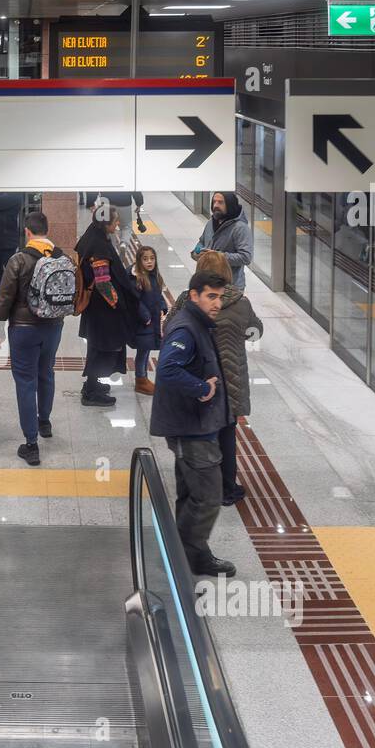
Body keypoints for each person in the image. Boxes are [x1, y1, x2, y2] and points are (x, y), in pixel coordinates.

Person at [149, 270, 235, 577]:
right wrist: (203, 389)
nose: (217, 303)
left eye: (220, 297)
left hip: (196, 426)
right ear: (194, 295)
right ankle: (181, 557)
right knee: (209, 497)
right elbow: (168, 369)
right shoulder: (186, 328)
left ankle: (193, 554)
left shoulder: (196, 322)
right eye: (211, 296)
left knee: (190, 494)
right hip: (192, 428)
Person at [172, 250, 263, 506]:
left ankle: (198, 486)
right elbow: (255, 332)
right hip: (230, 382)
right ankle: (226, 488)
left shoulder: (187, 301)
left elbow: (170, 329)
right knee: (226, 435)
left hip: (199, 379)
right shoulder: (241, 303)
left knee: (199, 434)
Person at [0, 210, 75, 465]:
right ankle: (45, 422)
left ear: (27, 232)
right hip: (54, 326)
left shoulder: (18, 260)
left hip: (24, 329)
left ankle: (31, 444)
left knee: (25, 382)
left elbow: (4, 297)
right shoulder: (63, 257)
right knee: (46, 373)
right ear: (46, 230)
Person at [75, 208, 142, 407]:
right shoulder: (99, 247)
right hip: (103, 309)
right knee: (103, 348)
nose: (117, 224)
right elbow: (103, 282)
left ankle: (92, 385)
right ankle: (92, 393)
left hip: (96, 308)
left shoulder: (92, 235)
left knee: (97, 346)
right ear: (105, 223)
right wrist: (118, 305)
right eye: (115, 221)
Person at [192, 191, 254, 290]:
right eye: (214, 202)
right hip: (207, 282)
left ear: (230, 205)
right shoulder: (211, 222)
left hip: (229, 287)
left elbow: (246, 257)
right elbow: (202, 241)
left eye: (220, 202)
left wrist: (217, 256)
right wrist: (197, 251)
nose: (216, 205)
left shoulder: (240, 228)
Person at [132, 245, 169, 397]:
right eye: (145, 259)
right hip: (144, 321)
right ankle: (140, 379)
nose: (149, 262)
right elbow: (136, 301)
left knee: (146, 349)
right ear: (139, 261)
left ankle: (144, 377)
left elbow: (158, 295)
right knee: (143, 350)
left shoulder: (155, 277)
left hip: (153, 319)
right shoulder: (138, 279)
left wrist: (163, 307)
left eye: (152, 258)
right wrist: (145, 316)